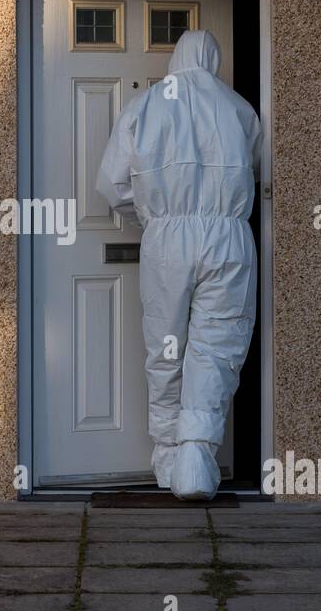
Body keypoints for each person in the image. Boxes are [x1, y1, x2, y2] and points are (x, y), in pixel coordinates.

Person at [95, 29, 262, 500]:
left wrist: (149, 216)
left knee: (165, 346)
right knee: (217, 344)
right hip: (227, 237)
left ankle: (168, 459)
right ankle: (197, 458)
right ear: (213, 57)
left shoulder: (146, 106)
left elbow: (110, 185)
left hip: (167, 239)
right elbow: (256, 166)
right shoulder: (238, 108)